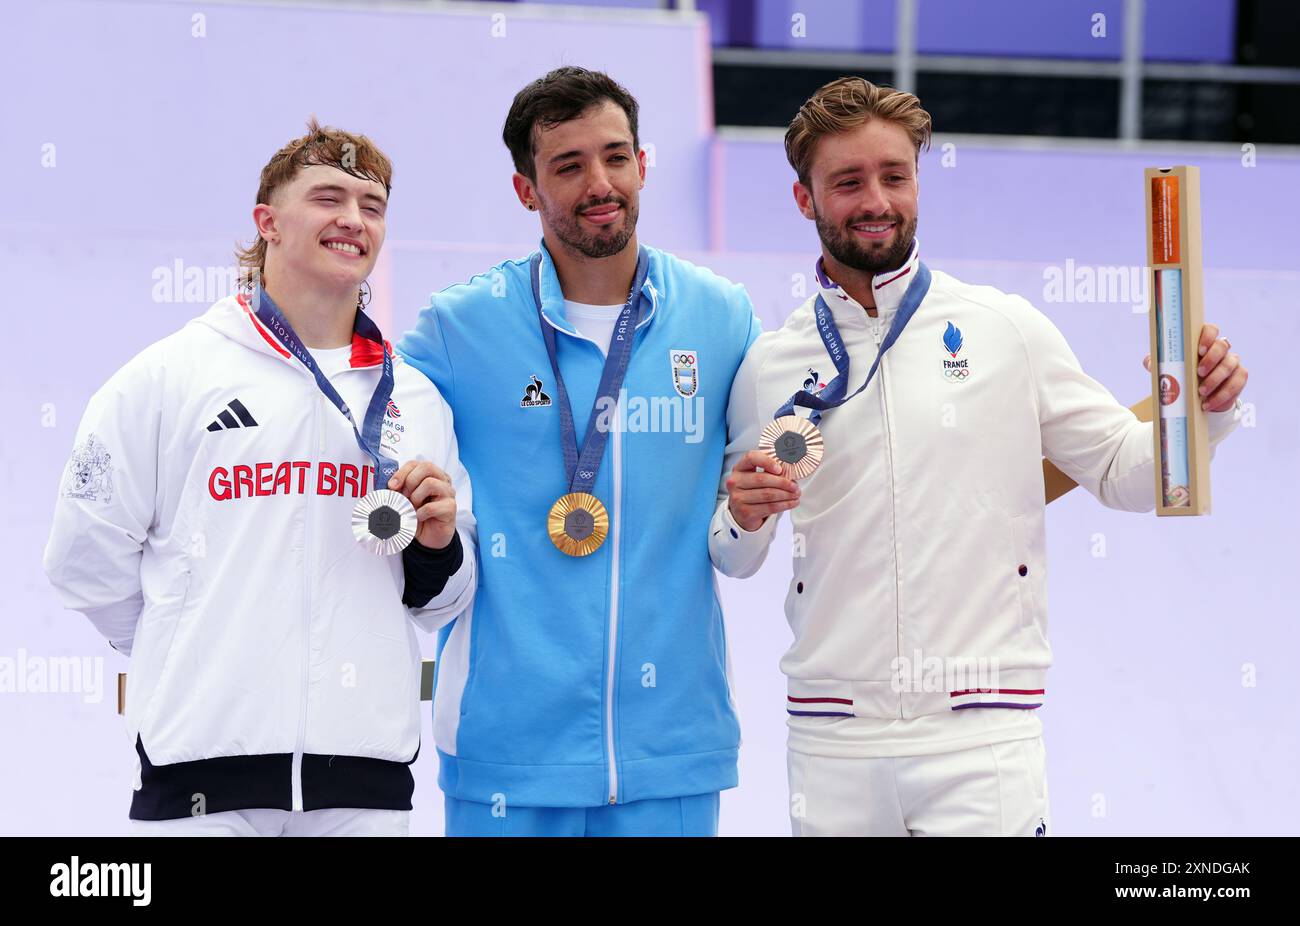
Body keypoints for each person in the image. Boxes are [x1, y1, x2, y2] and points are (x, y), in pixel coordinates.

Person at [710, 78, 1248, 837]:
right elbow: (732, 557)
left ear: (919, 181)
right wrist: (741, 514)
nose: (877, 200)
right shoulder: (770, 363)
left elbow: (1130, 473)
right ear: (805, 199)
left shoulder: (1006, 329)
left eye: (895, 176)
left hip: (983, 737)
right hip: (833, 743)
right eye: (848, 181)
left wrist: (1204, 414)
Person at [44, 120, 476, 836]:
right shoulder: (169, 375)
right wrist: (189, 646)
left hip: (362, 784)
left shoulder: (417, 399)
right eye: (328, 197)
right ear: (266, 222)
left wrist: (435, 547)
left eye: (372, 206)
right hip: (200, 781)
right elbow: (83, 562)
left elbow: (441, 604)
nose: (353, 219)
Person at [399, 67, 760, 837]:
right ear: (526, 189)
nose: (601, 184)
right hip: (507, 757)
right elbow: (374, 446)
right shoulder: (459, 328)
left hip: (672, 753)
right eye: (568, 166)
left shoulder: (721, 317)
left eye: (617, 157)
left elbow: (745, 524)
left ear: (641, 163)